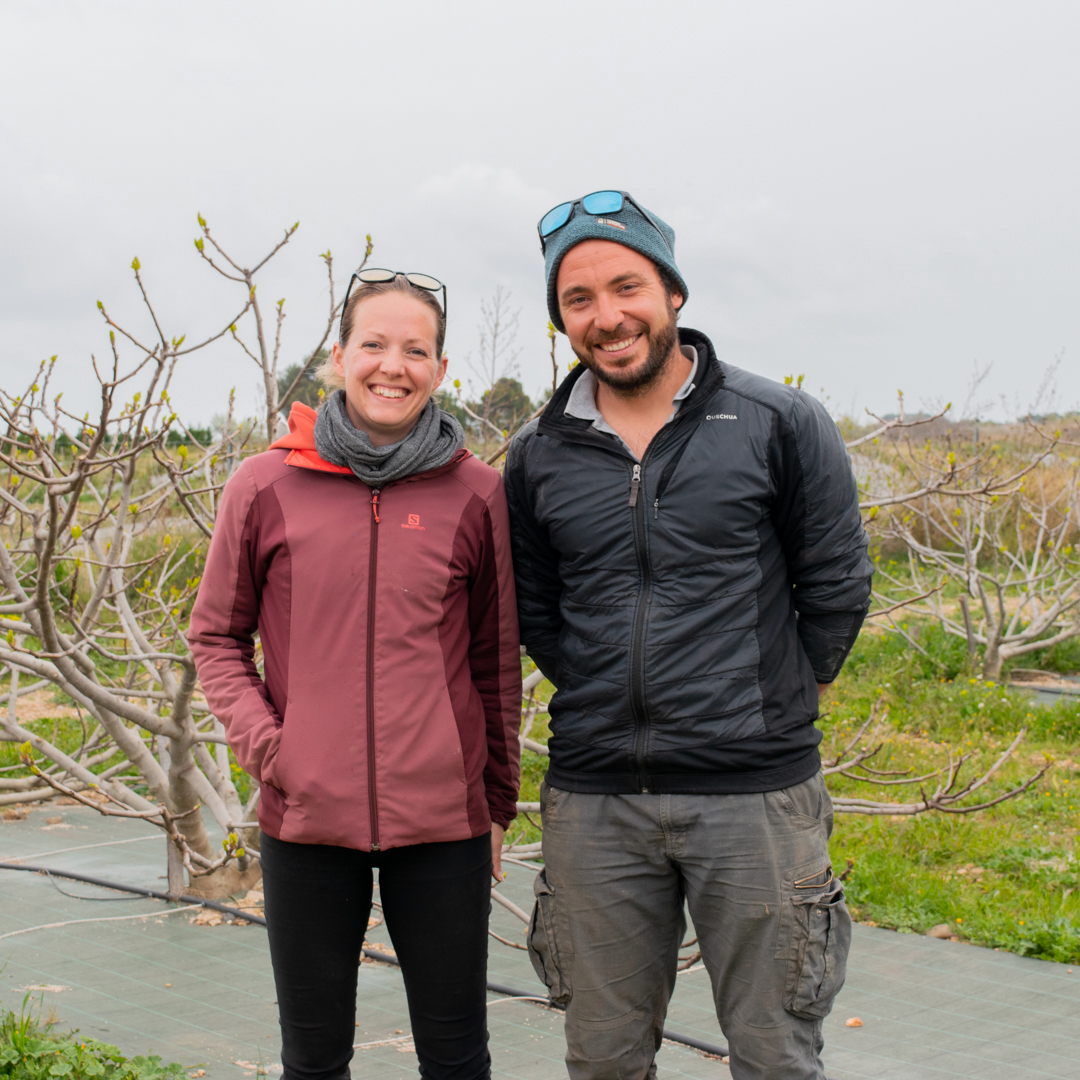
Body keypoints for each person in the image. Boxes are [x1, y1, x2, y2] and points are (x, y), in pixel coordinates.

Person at [504, 191, 873, 1080]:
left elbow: (835, 583)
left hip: (753, 799)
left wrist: (773, 693)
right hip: (597, 802)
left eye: (625, 285)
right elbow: (539, 607)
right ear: (562, 319)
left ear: (672, 291)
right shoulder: (536, 453)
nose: (607, 316)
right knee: (602, 1060)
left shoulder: (776, 421)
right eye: (578, 299)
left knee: (775, 1053)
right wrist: (601, 688)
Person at [189, 269, 522, 1080]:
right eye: (373, 344)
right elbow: (216, 637)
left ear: (441, 371)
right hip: (304, 820)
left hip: (444, 824)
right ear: (338, 358)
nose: (392, 365)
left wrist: (498, 801)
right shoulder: (264, 485)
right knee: (312, 1058)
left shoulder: (476, 494)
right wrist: (274, 750)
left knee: (455, 1056)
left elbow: (495, 661)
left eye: (416, 350)